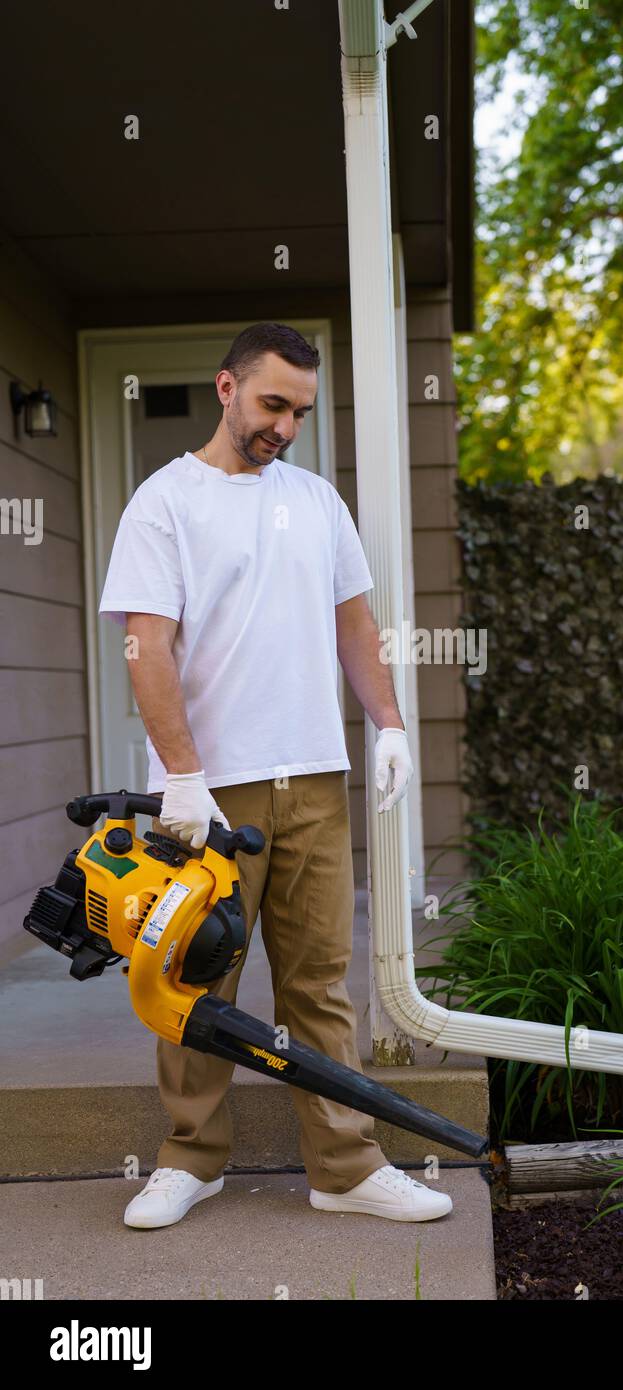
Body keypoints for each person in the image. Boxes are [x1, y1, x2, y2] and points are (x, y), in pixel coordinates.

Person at [97, 321, 452, 1227]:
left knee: (320, 981)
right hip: (208, 792)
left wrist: (391, 726)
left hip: (315, 780)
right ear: (225, 388)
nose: (285, 426)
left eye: (298, 410)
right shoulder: (163, 503)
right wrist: (182, 776)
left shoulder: (318, 503)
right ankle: (191, 1160)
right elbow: (147, 646)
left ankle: (345, 1167)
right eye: (270, 405)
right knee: (191, 974)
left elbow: (354, 629)